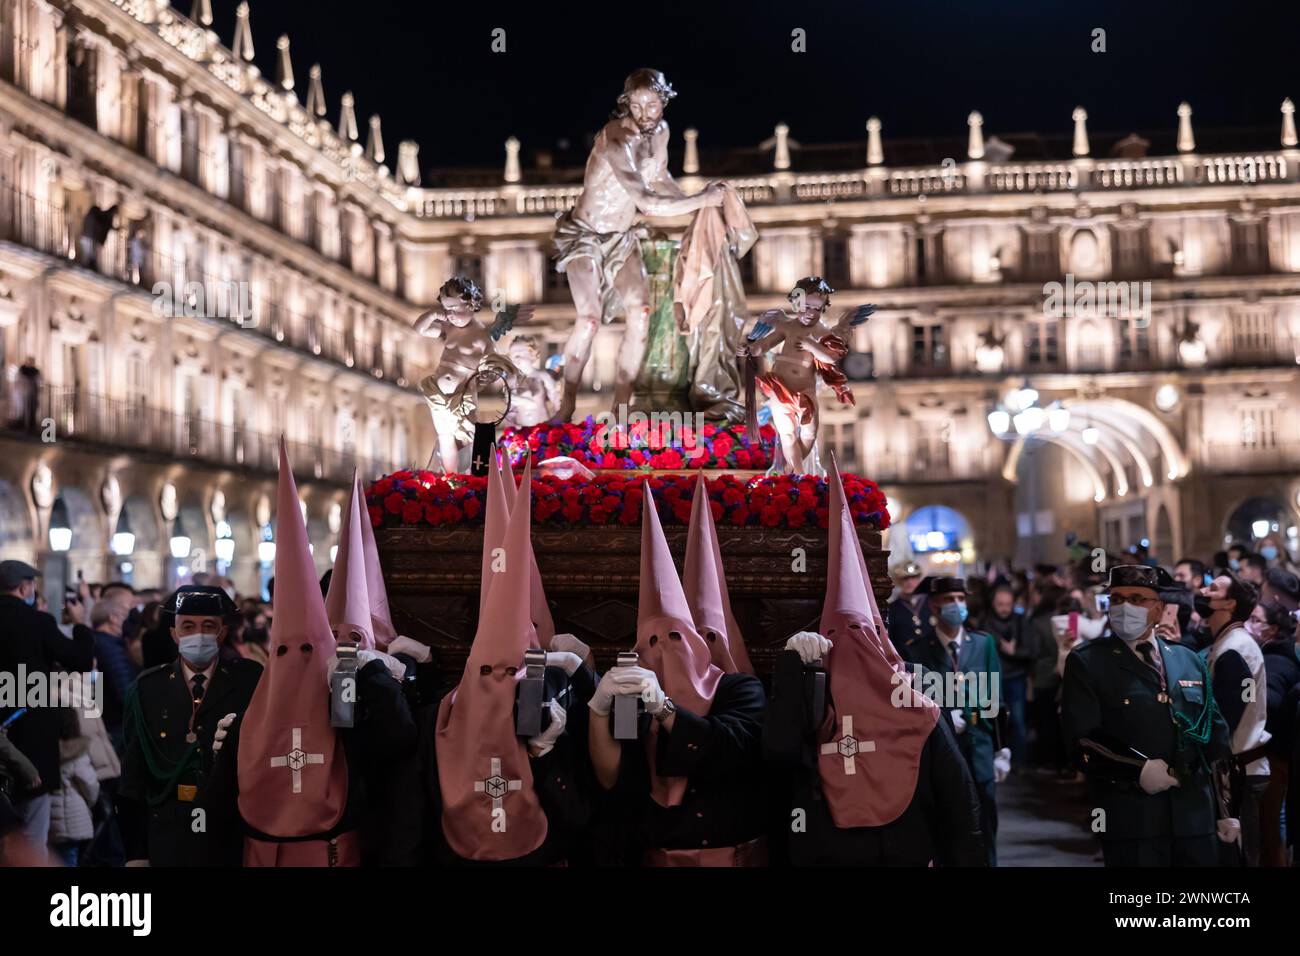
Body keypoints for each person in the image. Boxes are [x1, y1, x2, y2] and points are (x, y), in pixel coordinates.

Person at [762, 457, 985, 866]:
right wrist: (794, 668)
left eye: (862, 637)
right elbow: (778, 752)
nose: (851, 648)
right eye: (836, 636)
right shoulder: (815, 697)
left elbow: (958, 803)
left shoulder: (916, 700)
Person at [203, 441, 416, 866]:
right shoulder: (248, 717)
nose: (296, 658)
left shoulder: (351, 703)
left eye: (309, 648)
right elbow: (219, 808)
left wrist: (373, 679)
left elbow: (394, 747)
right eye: (283, 650)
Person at [422, 451, 592, 865]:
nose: (500, 679)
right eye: (486, 669)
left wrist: (547, 750)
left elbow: (585, 814)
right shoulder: (441, 717)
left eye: (512, 669)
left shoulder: (558, 706)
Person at [588, 481, 767, 865]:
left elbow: (731, 750)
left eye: (674, 637)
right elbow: (613, 782)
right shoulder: (632, 700)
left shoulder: (739, 689)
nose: (664, 650)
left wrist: (665, 708)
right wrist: (598, 710)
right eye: (651, 640)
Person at [552, 68, 725, 420]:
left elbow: (659, 178)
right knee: (588, 319)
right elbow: (647, 202)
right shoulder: (617, 140)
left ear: (664, 101)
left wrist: (697, 212)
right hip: (584, 234)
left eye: (652, 104)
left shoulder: (660, 132)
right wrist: (701, 201)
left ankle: (620, 407)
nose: (645, 113)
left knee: (641, 312)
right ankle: (566, 403)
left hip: (620, 237)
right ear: (625, 104)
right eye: (636, 105)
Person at [1062, 565, 1234, 866]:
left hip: (1194, 819)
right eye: (1116, 599)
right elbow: (1081, 742)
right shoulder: (1088, 661)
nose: (1124, 607)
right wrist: (1137, 770)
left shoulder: (1187, 660)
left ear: (1158, 609)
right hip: (1134, 820)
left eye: (1137, 599)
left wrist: (1226, 811)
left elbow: (1215, 741)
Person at [117, 585, 261, 866]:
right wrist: (136, 855)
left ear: (222, 633)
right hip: (169, 830)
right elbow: (133, 776)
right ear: (174, 633)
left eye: (209, 626)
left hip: (230, 829)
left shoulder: (249, 681)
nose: (199, 634)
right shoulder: (148, 688)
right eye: (188, 626)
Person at [898, 576, 1009, 865]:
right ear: (934, 606)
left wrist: (1001, 749)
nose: (956, 606)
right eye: (949, 600)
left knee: (985, 825)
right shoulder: (917, 649)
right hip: (943, 752)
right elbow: (913, 704)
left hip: (980, 748)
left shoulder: (983, 644)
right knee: (948, 824)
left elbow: (995, 698)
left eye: (960, 599)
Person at [0, 559, 95, 860]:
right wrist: (80, 623)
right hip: (32, 743)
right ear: (25, 586)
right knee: (30, 838)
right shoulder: (37, 622)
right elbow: (80, 660)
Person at [737, 277, 872, 474]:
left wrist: (812, 345)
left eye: (817, 309)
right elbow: (765, 344)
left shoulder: (821, 331)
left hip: (805, 389)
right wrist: (750, 349)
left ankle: (791, 470)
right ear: (795, 303)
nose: (811, 313)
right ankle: (800, 475)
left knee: (810, 433)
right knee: (787, 433)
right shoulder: (786, 326)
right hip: (780, 385)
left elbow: (830, 358)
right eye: (806, 307)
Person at [413, 276, 533, 474]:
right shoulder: (448, 329)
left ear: (471, 305)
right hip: (437, 392)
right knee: (444, 435)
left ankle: (481, 473)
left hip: (463, 395)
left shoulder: (482, 336)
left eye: (455, 308)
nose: (450, 315)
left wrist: (495, 375)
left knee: (471, 433)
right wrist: (435, 314)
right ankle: (450, 477)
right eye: (446, 309)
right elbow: (420, 328)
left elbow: (495, 365)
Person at [1199, 573, 1271, 865]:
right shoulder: (1228, 642)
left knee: (1238, 857)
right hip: (1239, 770)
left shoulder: (1235, 649)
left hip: (1239, 774)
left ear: (1229, 603)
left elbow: (1224, 719)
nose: (1203, 591)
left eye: (1212, 589)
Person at [1245, 598, 1298, 866]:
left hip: (1274, 756)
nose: (1248, 625)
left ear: (1273, 630)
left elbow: (1271, 701)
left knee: (1270, 829)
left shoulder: (1274, 661)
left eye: (1256, 620)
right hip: (1281, 752)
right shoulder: (1284, 655)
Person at [983, 585, 1031, 765]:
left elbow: (1030, 650)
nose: (1004, 608)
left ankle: (1019, 762)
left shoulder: (1020, 622)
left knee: (1018, 721)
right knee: (993, 721)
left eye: (1007, 604)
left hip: (1015, 677)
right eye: (1000, 604)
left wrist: (1013, 652)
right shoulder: (986, 622)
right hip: (993, 678)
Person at [48, 708, 99, 867]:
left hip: (48, 821)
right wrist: (90, 802)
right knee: (70, 859)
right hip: (72, 821)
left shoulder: (42, 750)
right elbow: (90, 785)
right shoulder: (76, 753)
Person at [89, 595, 139, 753]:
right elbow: (124, 689)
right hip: (115, 723)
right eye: (124, 616)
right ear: (113, 618)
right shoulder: (109, 647)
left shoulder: (98, 641)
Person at [887, 561, 931, 655]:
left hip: (932, 657)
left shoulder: (931, 602)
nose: (909, 582)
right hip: (906, 657)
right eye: (905, 578)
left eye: (913, 577)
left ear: (919, 578)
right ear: (897, 581)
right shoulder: (892, 608)